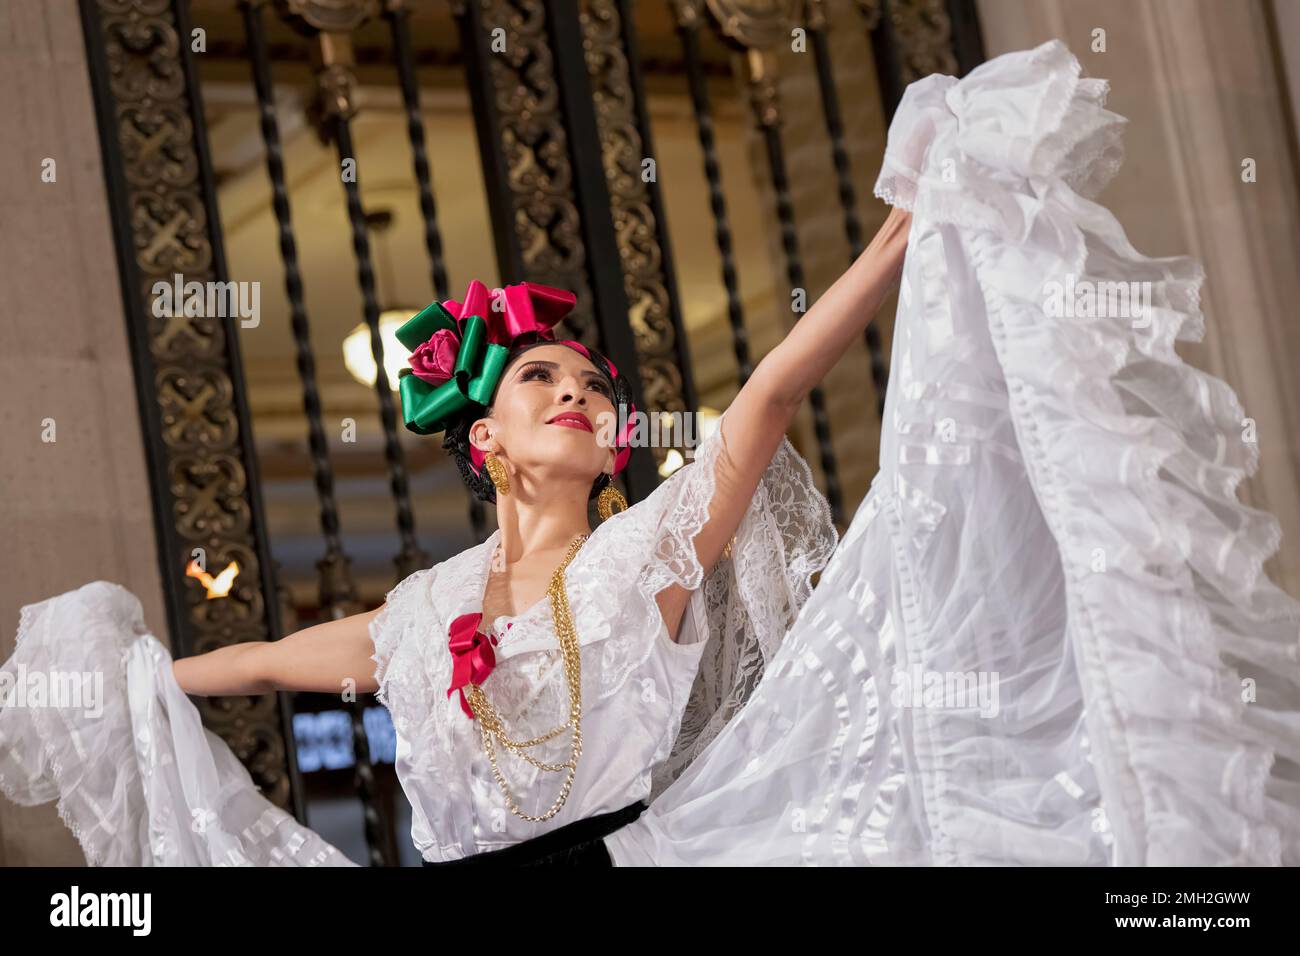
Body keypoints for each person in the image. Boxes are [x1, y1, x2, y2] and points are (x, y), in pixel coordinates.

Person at [3, 39, 1298, 868]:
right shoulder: (420, 618)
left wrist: (905, 234)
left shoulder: (648, 559)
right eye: (538, 378)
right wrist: (114, 678)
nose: (573, 392)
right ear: (488, 441)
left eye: (587, 379)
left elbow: (775, 396)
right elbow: (256, 666)